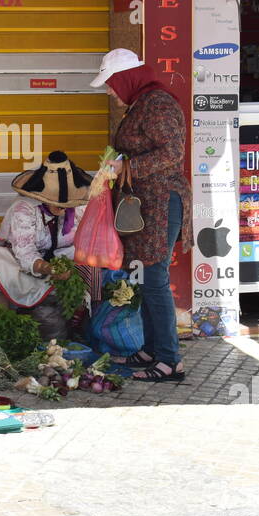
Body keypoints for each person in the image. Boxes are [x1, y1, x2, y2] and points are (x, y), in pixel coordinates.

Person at [89, 48, 192, 383]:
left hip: (161, 202)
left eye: (110, 83)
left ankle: (169, 361)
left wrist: (127, 167)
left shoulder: (157, 104)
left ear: (125, 78)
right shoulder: (140, 103)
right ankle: (149, 349)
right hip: (144, 204)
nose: (108, 91)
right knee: (145, 280)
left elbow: (173, 152)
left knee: (155, 279)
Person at [0, 151, 91, 342]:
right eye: (55, 203)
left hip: (59, 266)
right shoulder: (24, 208)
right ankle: (6, 327)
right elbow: (25, 251)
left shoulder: (78, 206)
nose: (62, 208)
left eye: (65, 204)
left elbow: (87, 239)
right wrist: (46, 268)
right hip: (18, 264)